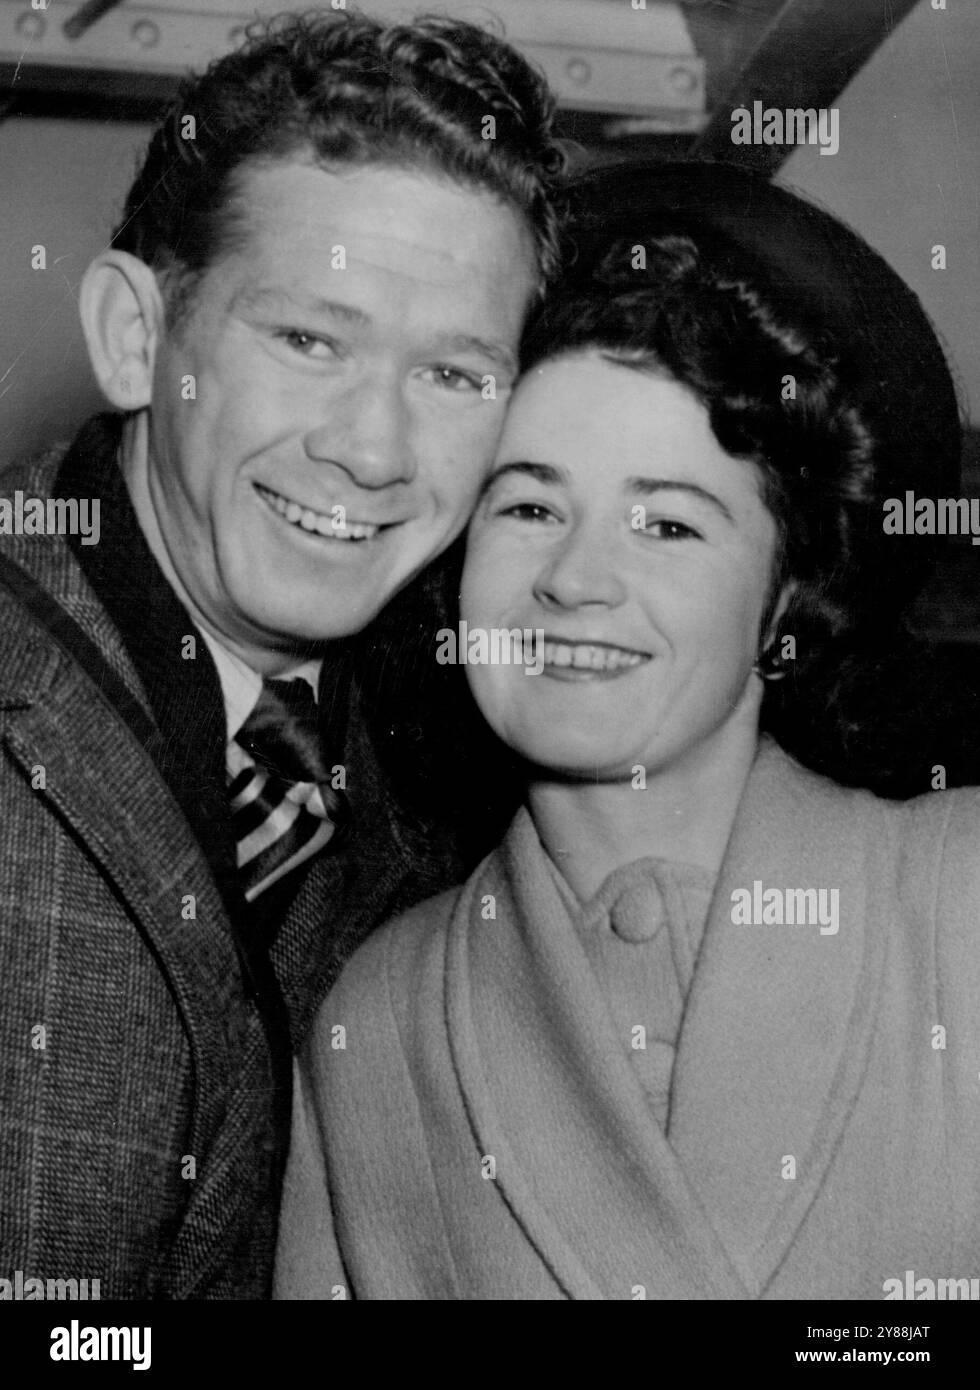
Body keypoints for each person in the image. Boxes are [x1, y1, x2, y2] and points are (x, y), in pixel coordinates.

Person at [274, 164, 980, 1301]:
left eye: (667, 522)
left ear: (785, 590)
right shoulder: (380, 1025)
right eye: (529, 506)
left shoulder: (958, 904)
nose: (574, 579)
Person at [0, 10, 564, 1298]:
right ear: (137, 336)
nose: (371, 449)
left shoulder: (437, 772)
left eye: (454, 375)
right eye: (309, 339)